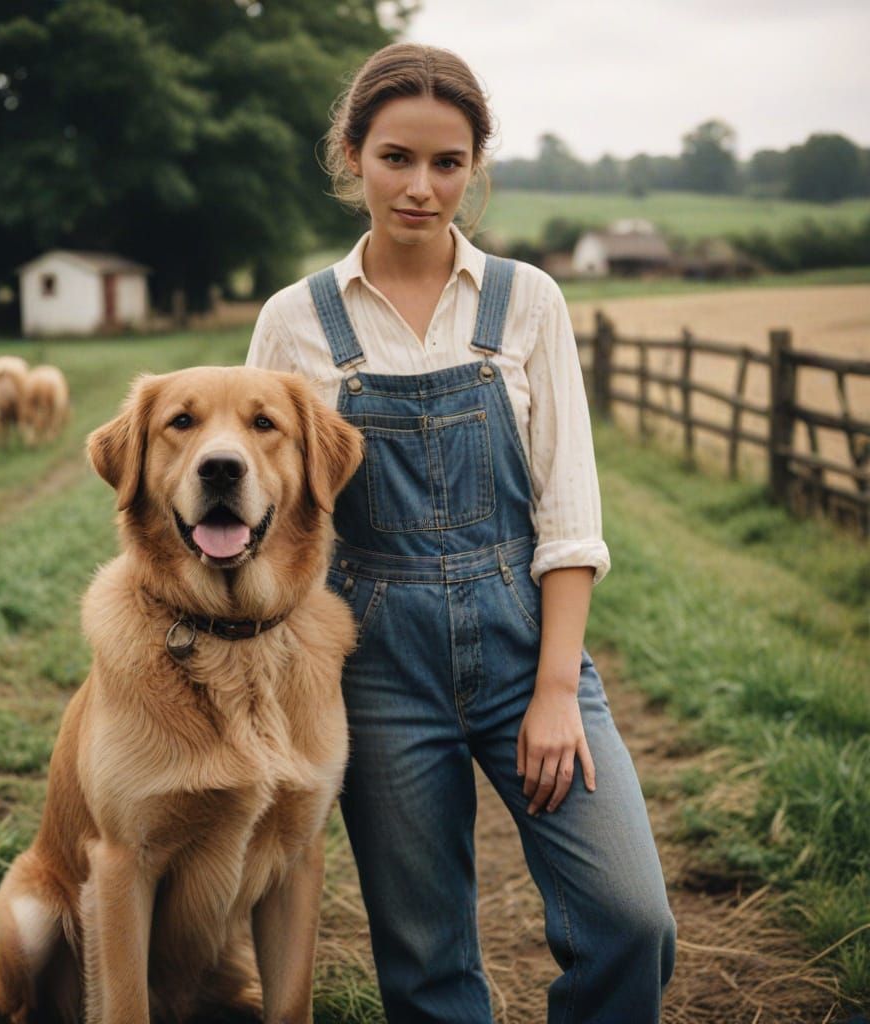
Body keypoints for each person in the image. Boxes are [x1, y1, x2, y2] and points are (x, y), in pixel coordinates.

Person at [245, 42, 676, 1024]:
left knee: (630, 918)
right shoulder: (292, 324)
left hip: (524, 643)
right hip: (372, 661)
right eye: (396, 157)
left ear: (474, 165)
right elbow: (268, 522)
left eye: (448, 162)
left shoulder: (526, 302)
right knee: (427, 963)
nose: (421, 186)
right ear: (351, 154)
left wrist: (556, 692)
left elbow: (568, 521)